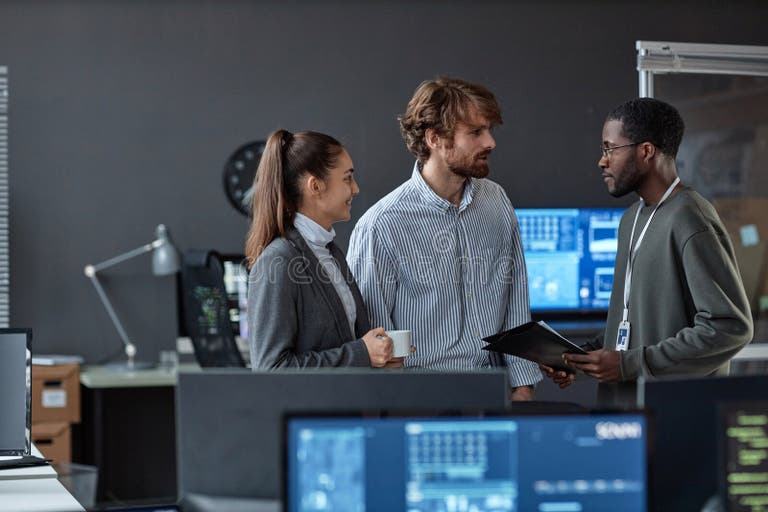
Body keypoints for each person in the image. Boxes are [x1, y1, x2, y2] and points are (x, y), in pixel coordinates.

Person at [544, 98, 753, 406]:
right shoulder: (631, 218)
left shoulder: (691, 218)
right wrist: (582, 361)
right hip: (623, 414)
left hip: (675, 419)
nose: (602, 161)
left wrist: (629, 364)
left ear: (645, 151)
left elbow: (729, 327)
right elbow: (631, 326)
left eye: (609, 149)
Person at [347, 77, 541, 400]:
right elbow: (376, 340)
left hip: (493, 395)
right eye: (476, 132)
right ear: (435, 138)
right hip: (417, 400)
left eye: (489, 129)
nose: (490, 142)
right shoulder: (380, 227)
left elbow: (515, 303)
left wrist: (523, 390)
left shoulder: (496, 202)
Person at [246, 129, 398, 369]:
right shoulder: (278, 261)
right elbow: (271, 369)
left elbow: (346, 346)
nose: (356, 189)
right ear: (315, 186)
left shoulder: (331, 253)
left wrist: (378, 358)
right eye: (347, 178)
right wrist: (361, 354)